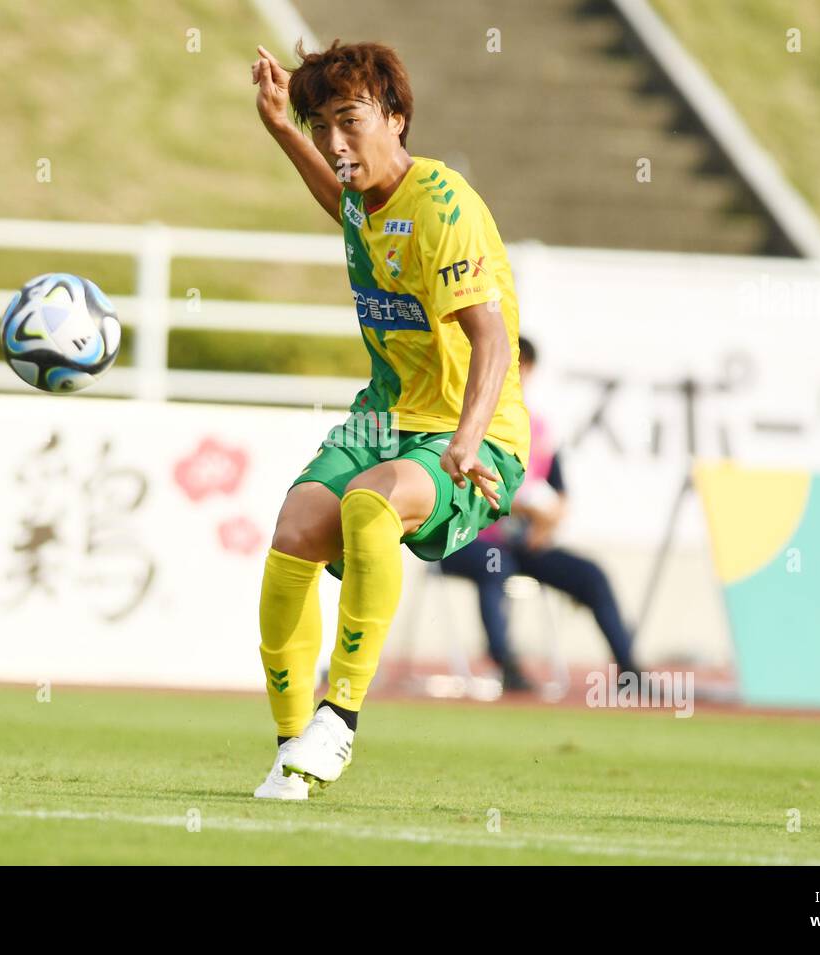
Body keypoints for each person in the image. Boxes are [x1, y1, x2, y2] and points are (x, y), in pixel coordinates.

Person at [250, 40, 531, 799]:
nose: (334, 143)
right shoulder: (359, 196)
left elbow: (493, 338)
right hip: (384, 417)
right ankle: (290, 746)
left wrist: (468, 443)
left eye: (349, 120)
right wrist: (281, 127)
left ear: (396, 117)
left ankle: (339, 719)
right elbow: (336, 199)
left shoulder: (443, 204)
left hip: (470, 433)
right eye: (320, 127)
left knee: (372, 505)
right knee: (295, 529)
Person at [440, 337, 638, 692]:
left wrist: (548, 523)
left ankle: (630, 672)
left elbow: (560, 493)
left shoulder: (538, 428)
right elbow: (465, 484)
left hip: (525, 542)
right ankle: (505, 663)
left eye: (520, 368)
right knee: (494, 563)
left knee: (592, 575)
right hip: (470, 540)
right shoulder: (466, 420)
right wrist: (529, 509)